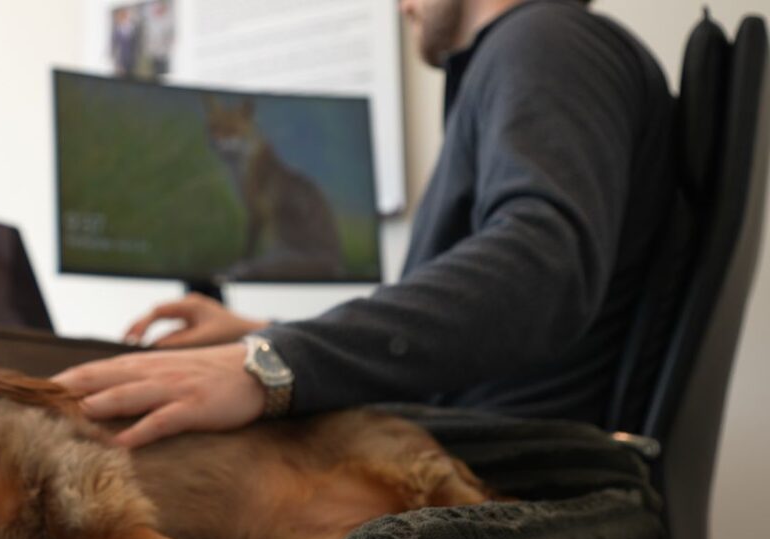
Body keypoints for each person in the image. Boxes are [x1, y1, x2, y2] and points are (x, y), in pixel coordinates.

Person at [55, 0, 675, 449]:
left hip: (498, 471)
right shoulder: (532, 52)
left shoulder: (547, 41)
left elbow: (541, 273)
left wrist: (272, 363)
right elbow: (466, 332)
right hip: (460, 441)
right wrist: (264, 333)